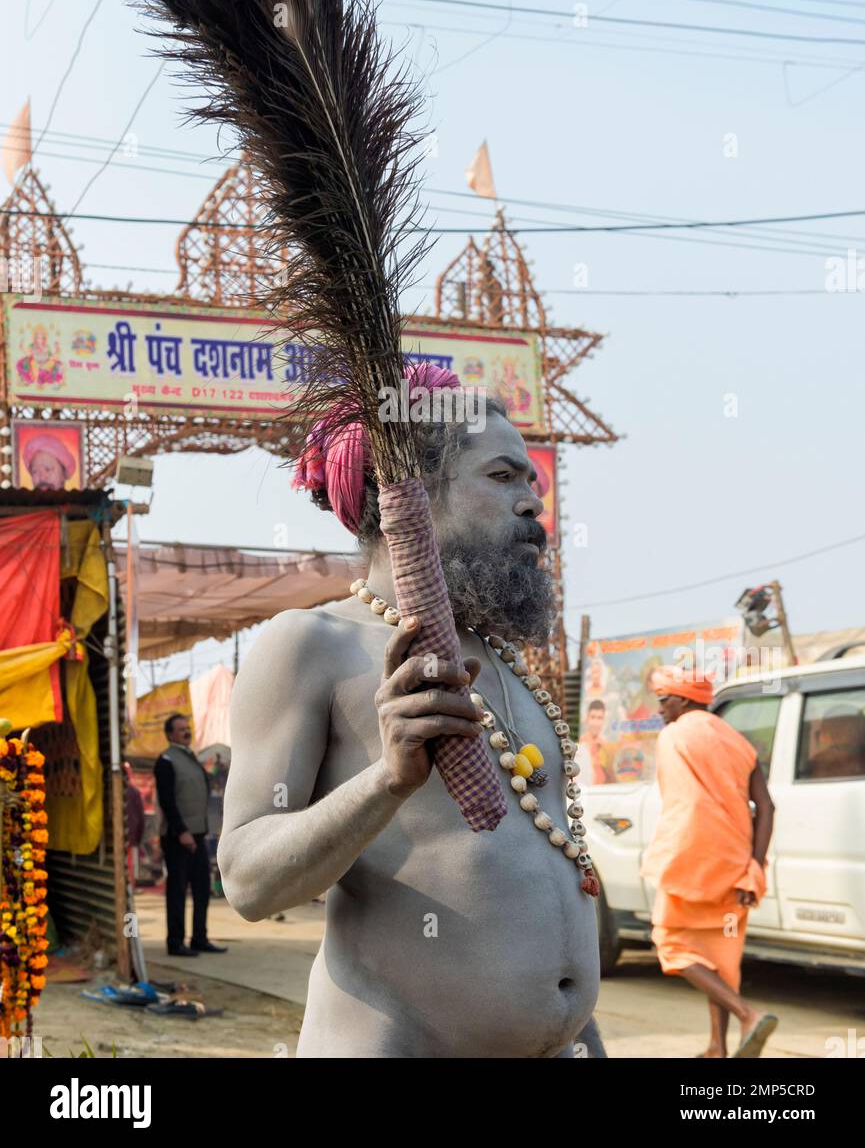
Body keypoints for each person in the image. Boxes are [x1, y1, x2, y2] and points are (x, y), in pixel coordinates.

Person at [219, 386, 603, 1058]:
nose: (533, 503)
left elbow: (540, 887)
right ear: (412, 494)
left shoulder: (503, 663)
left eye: (532, 481)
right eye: (502, 476)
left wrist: (578, 1036)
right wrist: (387, 780)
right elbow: (249, 882)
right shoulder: (310, 644)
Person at [640, 668, 778, 1059]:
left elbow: (679, 802)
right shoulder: (740, 742)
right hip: (737, 874)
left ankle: (749, 1014)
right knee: (722, 958)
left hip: (688, 866)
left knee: (671, 946)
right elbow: (766, 808)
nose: (661, 708)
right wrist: (755, 868)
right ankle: (718, 1047)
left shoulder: (673, 736)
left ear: (683, 700)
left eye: (664, 699)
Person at [155, 714, 226, 958]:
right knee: (177, 891)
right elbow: (167, 800)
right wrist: (181, 831)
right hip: (178, 837)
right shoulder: (166, 760)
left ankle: (199, 938)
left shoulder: (190, 757)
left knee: (202, 888)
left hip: (197, 834)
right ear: (170, 734)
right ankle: (175, 942)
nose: (187, 732)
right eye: (181, 729)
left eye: (188, 728)